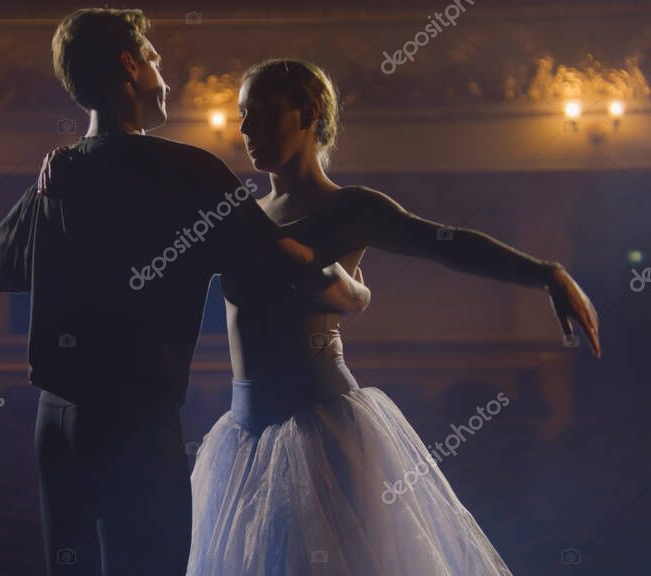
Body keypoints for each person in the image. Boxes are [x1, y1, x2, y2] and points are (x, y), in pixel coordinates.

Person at [0, 13, 370, 576]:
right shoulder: (191, 172)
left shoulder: (60, 178)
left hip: (57, 424)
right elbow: (285, 261)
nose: (164, 73)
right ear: (129, 66)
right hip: (137, 423)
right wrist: (353, 292)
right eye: (154, 58)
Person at [186, 59, 601, 575]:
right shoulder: (246, 216)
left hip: (318, 428)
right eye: (243, 115)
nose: (246, 129)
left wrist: (544, 272)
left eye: (263, 114)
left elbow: (442, 243)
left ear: (308, 113)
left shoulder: (350, 207)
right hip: (244, 433)